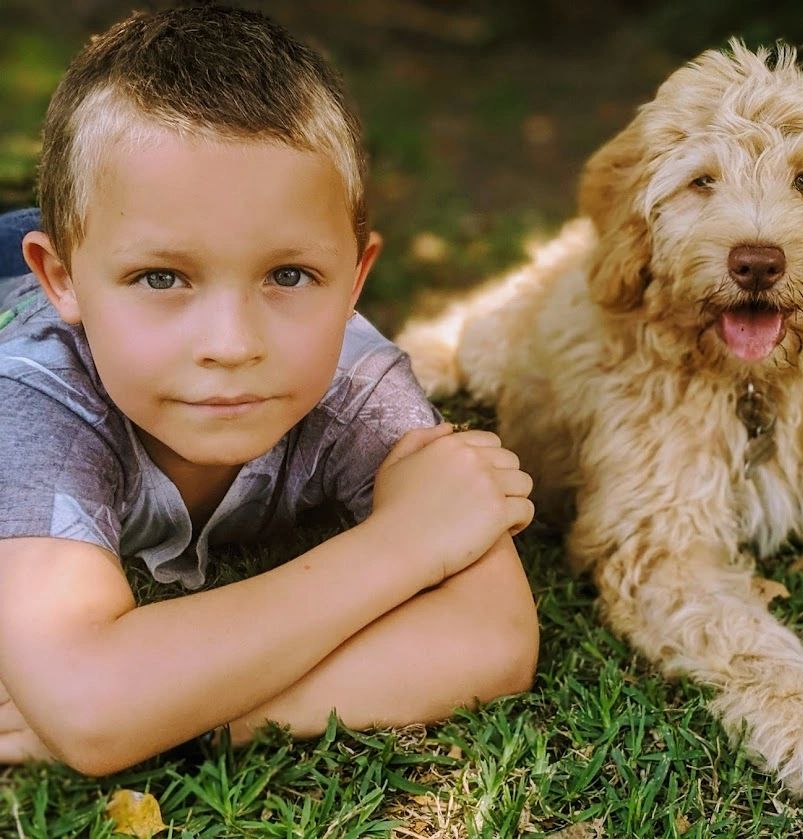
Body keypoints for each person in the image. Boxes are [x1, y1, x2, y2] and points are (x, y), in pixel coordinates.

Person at [0, 4, 538, 776]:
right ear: (65, 280)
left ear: (355, 279)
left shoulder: (355, 380)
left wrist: (173, 716)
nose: (232, 345)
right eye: (162, 277)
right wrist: (404, 542)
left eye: (289, 275)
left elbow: (494, 641)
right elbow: (90, 699)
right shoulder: (34, 394)